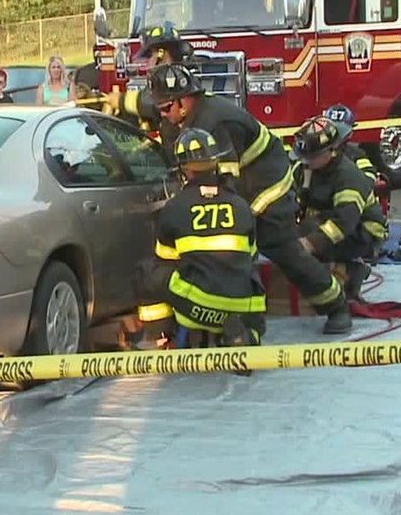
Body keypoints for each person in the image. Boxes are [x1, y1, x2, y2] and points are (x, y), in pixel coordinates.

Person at [147, 62, 353, 334]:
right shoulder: (182, 117)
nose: (163, 115)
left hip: (267, 186)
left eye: (165, 108)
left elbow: (224, 182)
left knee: (280, 247)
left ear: (184, 101)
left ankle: (337, 306)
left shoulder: (216, 123)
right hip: (243, 182)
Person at [133, 127, 266, 351]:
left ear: (185, 170)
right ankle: (246, 336)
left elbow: (165, 260)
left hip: (200, 309)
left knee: (147, 272)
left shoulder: (175, 207)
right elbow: (251, 257)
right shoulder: (241, 205)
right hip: (247, 307)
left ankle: (161, 336)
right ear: (215, 164)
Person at [292, 114, 388, 302]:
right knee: (296, 234)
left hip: (362, 232)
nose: (306, 161)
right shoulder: (304, 168)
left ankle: (352, 272)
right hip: (328, 220)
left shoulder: (348, 176)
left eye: (312, 156)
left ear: (331, 150)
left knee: (309, 234)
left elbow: (344, 222)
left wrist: (310, 243)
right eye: (304, 156)